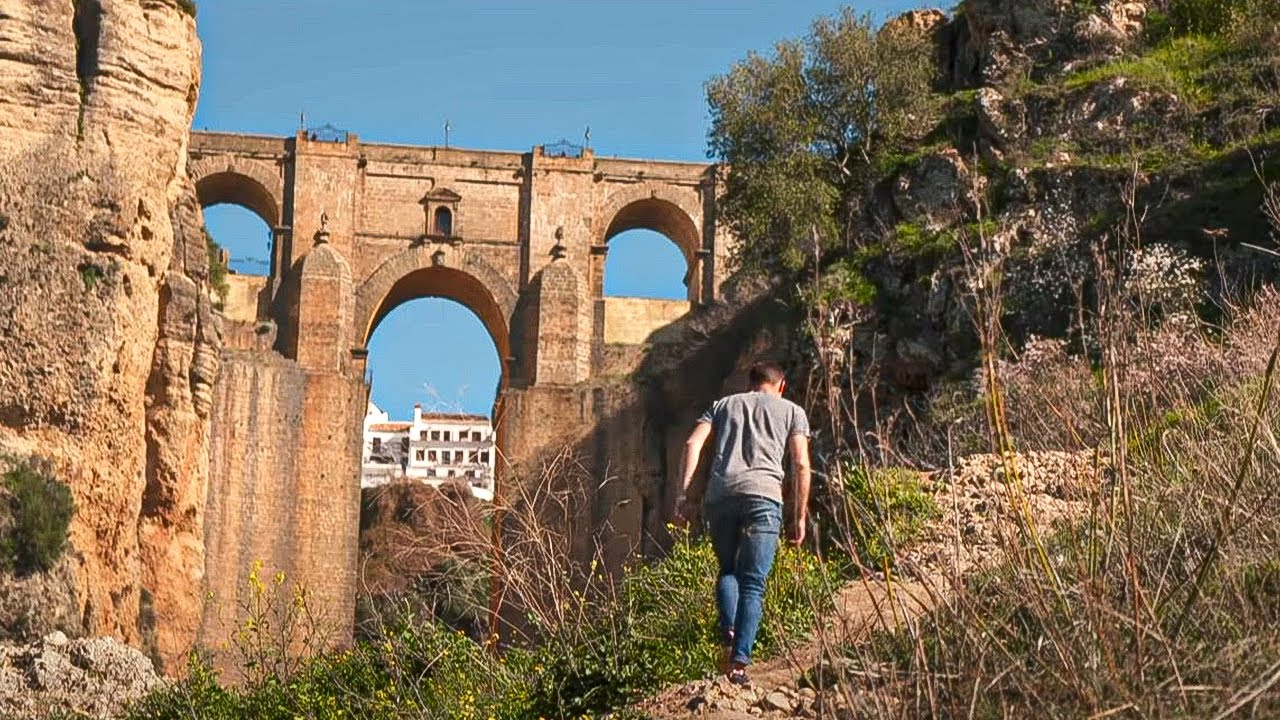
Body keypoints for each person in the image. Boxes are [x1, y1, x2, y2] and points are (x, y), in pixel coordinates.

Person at [675, 362, 811, 686]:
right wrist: (799, 515)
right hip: (764, 498)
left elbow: (693, 443)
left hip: (721, 498)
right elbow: (801, 464)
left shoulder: (723, 405)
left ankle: (730, 629)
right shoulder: (792, 411)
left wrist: (684, 495)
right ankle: (738, 664)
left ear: (749, 384)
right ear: (781, 386)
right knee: (753, 584)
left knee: (728, 571)